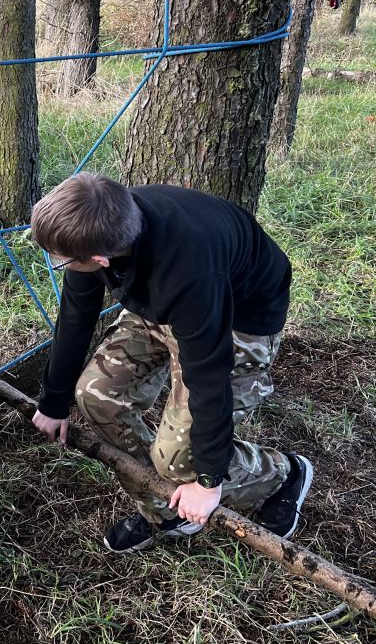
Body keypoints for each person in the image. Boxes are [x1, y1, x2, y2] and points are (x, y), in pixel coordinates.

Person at [28, 173, 314, 551]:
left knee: (180, 460)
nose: (57, 262)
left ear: (99, 260)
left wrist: (208, 481)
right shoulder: (97, 225)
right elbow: (76, 316)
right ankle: (165, 510)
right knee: (96, 396)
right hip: (167, 306)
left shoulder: (189, 270)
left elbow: (208, 376)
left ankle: (282, 476)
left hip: (236, 321)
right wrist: (53, 401)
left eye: (59, 259)